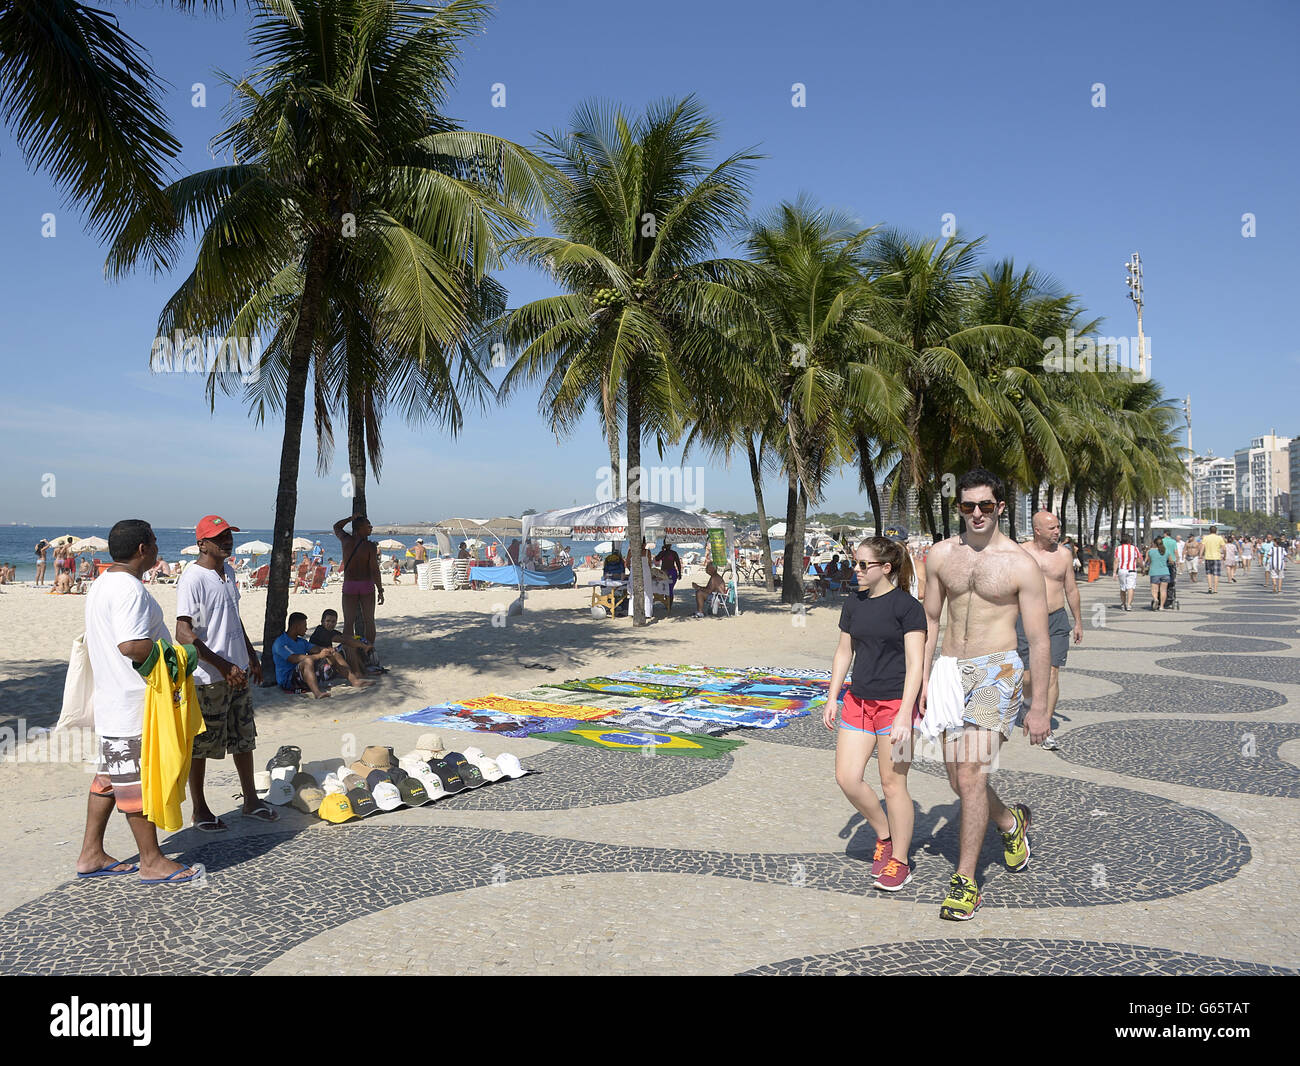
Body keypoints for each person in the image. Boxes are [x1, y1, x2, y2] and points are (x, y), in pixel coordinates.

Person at [921, 468, 1050, 922]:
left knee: (972, 776)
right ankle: (1010, 823)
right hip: (950, 672)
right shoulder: (939, 556)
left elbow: (1038, 640)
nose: (976, 513)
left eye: (986, 506)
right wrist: (920, 681)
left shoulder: (1020, 564)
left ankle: (966, 881)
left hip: (996, 671)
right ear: (958, 507)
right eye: (967, 505)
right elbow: (931, 622)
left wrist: (1039, 708)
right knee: (959, 783)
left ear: (1000, 508)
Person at [79, 519, 204, 885]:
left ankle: (91, 853)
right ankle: (151, 860)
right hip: (130, 704)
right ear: (142, 550)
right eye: (153, 541)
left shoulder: (102, 583)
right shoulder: (129, 590)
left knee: (107, 779)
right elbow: (131, 645)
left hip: (111, 699)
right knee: (134, 783)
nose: (156, 546)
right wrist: (177, 655)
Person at [824, 537, 926, 891]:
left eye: (862, 565)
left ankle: (900, 860)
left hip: (896, 706)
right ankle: (884, 835)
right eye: (855, 563)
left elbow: (916, 664)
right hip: (858, 702)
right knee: (847, 777)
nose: (856, 570)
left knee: (893, 784)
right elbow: (843, 653)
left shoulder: (908, 607)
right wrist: (833, 696)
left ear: (886, 568)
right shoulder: (854, 603)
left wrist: (904, 714)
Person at [175, 514, 275, 831]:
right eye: (219, 538)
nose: (227, 542)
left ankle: (251, 801)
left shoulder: (228, 572)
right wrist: (222, 665)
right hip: (208, 679)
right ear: (201, 544)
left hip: (238, 672)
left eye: (228, 536)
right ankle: (200, 809)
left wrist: (249, 656)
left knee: (245, 739)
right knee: (201, 746)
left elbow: (234, 617)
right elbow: (183, 633)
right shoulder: (193, 579)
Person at [1015, 512, 1082, 752]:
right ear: (1037, 530)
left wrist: (1078, 621)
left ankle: (1045, 727)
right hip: (1026, 618)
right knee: (1028, 676)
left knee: (1052, 674)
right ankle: (1030, 703)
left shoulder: (1064, 554)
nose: (1057, 531)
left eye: (1058, 527)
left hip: (1056, 619)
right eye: (1052, 527)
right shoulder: (1020, 552)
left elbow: (1071, 589)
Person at [271, 612, 371, 697]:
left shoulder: (301, 641)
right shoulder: (280, 642)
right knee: (307, 660)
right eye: (304, 625)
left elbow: (315, 648)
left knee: (333, 654)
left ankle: (354, 681)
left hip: (304, 675)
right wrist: (319, 656)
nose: (306, 628)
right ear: (296, 627)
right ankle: (317, 693)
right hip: (289, 680)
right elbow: (293, 658)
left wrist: (327, 651)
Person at [333, 514, 383, 644]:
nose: (371, 528)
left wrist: (350, 518)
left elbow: (336, 527)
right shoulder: (370, 546)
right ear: (360, 528)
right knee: (369, 621)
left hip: (350, 585)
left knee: (349, 622)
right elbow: (374, 569)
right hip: (366, 584)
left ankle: (350, 651)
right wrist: (380, 589)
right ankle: (369, 649)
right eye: (368, 526)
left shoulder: (346, 541)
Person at [309, 608, 374, 677]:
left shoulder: (331, 631)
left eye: (333, 622)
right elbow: (344, 640)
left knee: (352, 646)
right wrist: (364, 646)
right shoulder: (321, 631)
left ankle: (363, 671)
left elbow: (345, 637)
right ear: (322, 621)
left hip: (327, 657)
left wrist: (360, 640)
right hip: (318, 662)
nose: (330, 624)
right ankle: (357, 673)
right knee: (347, 647)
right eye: (328, 621)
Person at [1114, 533, 1143, 611]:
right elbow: (1139, 560)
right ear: (1130, 540)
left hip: (1122, 570)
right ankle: (1129, 604)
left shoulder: (1118, 548)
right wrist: (1142, 568)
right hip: (1132, 570)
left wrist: (1114, 572)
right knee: (1130, 587)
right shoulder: (1135, 548)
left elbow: (1116, 561)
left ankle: (1123, 604)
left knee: (1123, 588)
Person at [1146, 535, 1171, 610]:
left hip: (1154, 572)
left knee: (1154, 590)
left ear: (1154, 544)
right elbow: (1171, 561)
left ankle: (1156, 599)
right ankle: (1162, 606)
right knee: (1163, 590)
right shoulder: (1166, 551)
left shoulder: (1150, 551)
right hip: (1165, 572)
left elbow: (1149, 561)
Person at [655, 541, 682, 609]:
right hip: (664, 573)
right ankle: (668, 604)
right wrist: (662, 551)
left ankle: (669, 605)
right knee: (665, 589)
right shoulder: (664, 553)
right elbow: (657, 559)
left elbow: (678, 563)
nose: (667, 545)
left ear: (670, 544)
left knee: (669, 589)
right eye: (666, 543)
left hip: (671, 572)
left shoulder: (673, 553)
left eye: (668, 543)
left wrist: (680, 573)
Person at [1200, 525, 1226, 593]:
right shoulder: (1219, 538)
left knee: (1208, 573)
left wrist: (1200, 556)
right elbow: (1224, 548)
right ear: (1216, 531)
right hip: (1217, 557)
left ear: (1209, 531)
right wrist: (1225, 556)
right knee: (1216, 574)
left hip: (1208, 557)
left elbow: (1202, 547)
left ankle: (1210, 587)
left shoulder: (1206, 538)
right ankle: (1215, 589)